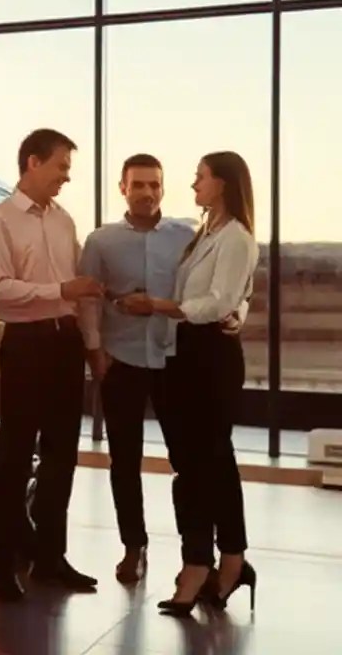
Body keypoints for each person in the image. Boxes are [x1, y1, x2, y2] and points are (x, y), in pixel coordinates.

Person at [78, 154, 246, 585]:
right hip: (123, 361)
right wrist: (95, 351)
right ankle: (134, 547)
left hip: (176, 363)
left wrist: (239, 311)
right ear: (122, 188)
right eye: (138, 185)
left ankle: (199, 556)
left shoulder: (189, 234)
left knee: (189, 462)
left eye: (155, 184)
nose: (148, 193)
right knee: (124, 461)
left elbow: (228, 287)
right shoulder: (100, 242)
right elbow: (88, 300)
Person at [116, 151, 259, 616]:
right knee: (189, 467)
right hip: (184, 357)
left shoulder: (235, 236)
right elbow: (238, 296)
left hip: (211, 359)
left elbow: (220, 301)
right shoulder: (203, 234)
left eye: (200, 176)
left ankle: (230, 559)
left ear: (222, 183)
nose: (192, 183)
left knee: (213, 462)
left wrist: (157, 306)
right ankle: (197, 559)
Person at [0, 128, 103, 601]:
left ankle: (50, 559)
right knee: (14, 458)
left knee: (61, 458)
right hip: (25, 345)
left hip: (65, 345)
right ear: (33, 162)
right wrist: (60, 292)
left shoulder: (65, 221)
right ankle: (3, 565)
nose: (66, 177)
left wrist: (93, 348)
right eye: (61, 167)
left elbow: (82, 291)